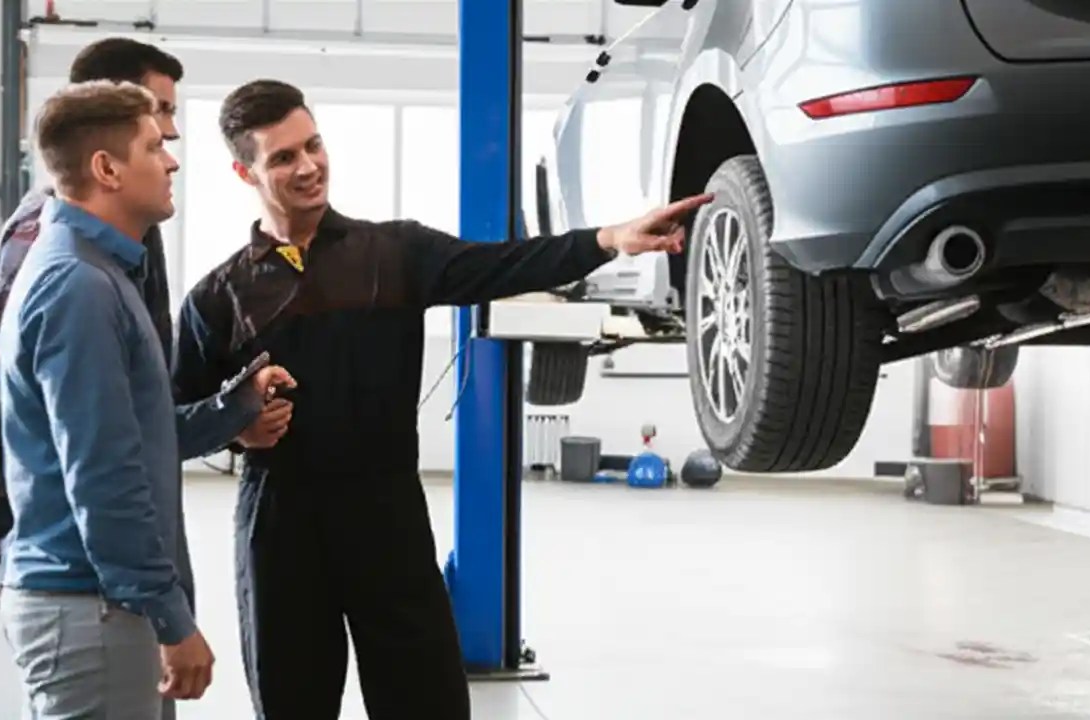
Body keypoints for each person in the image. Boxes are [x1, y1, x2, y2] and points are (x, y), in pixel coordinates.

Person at [170, 78, 712, 719]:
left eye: (313, 144)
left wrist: (610, 239)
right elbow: (175, 421)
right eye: (283, 157)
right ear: (245, 171)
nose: (309, 165)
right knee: (291, 700)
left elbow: (509, 262)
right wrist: (238, 427)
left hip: (386, 515)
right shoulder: (218, 297)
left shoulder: (394, 252)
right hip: (280, 521)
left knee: (424, 700)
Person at [0, 37, 295, 604]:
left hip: (115, 569)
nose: (172, 136)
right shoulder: (56, 254)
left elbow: (137, 415)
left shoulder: (130, 241)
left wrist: (229, 412)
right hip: (76, 578)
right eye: (160, 112)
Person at [0, 80, 294, 718]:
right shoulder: (79, 286)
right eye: (153, 145)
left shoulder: (99, 271)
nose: (172, 159)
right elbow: (104, 476)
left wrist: (233, 409)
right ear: (106, 168)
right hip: (90, 606)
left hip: (98, 602)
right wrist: (170, 617)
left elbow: (135, 432)